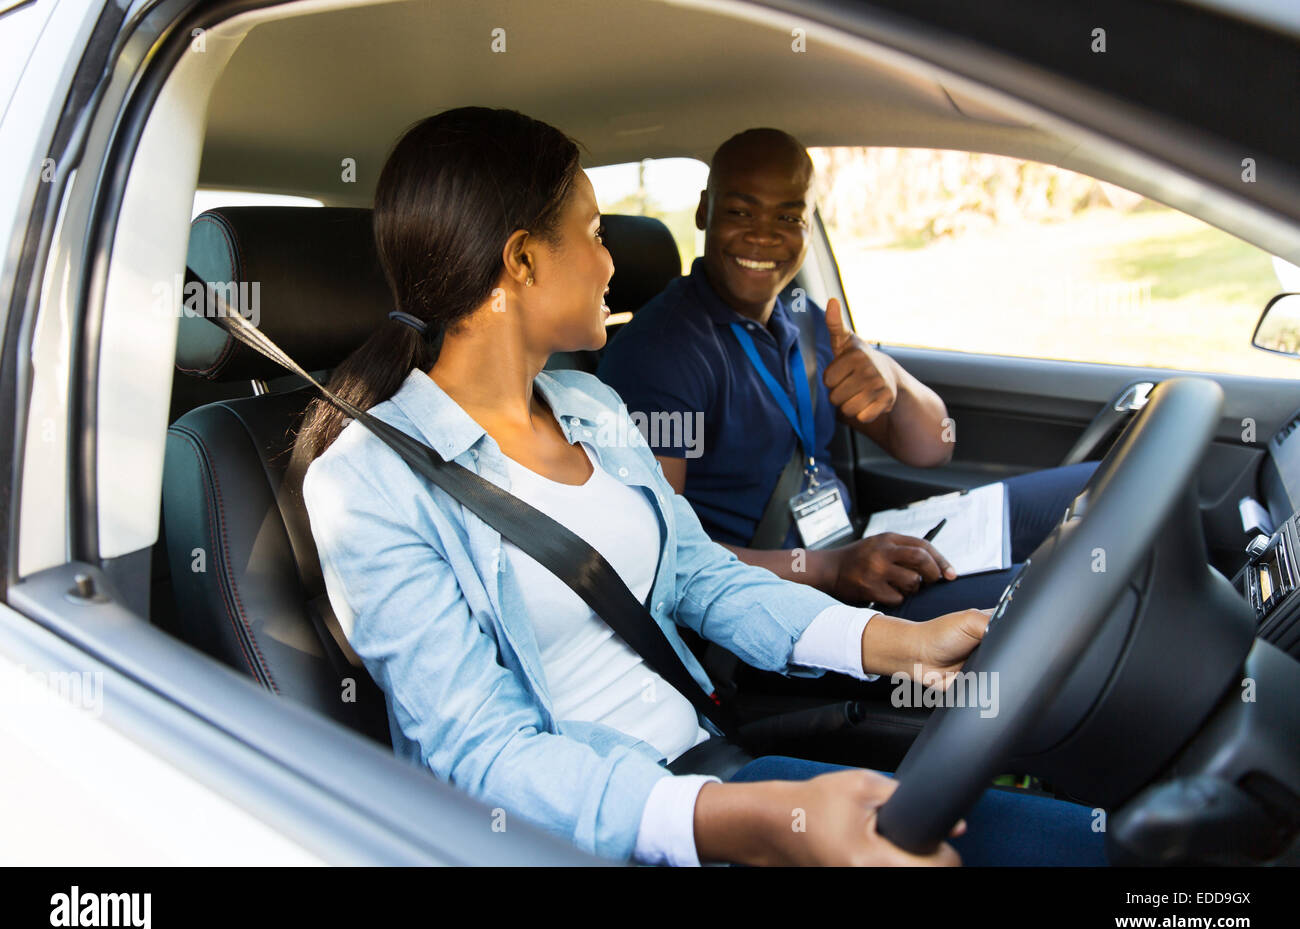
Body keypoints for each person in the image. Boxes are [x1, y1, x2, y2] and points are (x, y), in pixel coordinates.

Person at [296, 107, 1106, 866]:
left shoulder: (591, 407)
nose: (614, 262)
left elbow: (702, 576)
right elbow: (484, 757)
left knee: (1091, 849)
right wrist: (751, 821)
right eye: (595, 233)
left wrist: (897, 643)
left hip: (716, 769)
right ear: (522, 259)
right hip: (612, 832)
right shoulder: (367, 485)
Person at [597, 128, 1097, 620]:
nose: (763, 234)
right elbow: (665, 557)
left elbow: (931, 447)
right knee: (1056, 595)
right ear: (704, 209)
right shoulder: (662, 353)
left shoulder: (803, 317)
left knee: (1098, 489)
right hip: (774, 611)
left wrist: (893, 380)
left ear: (810, 223)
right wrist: (829, 570)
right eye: (740, 211)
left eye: (788, 215)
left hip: (847, 553)